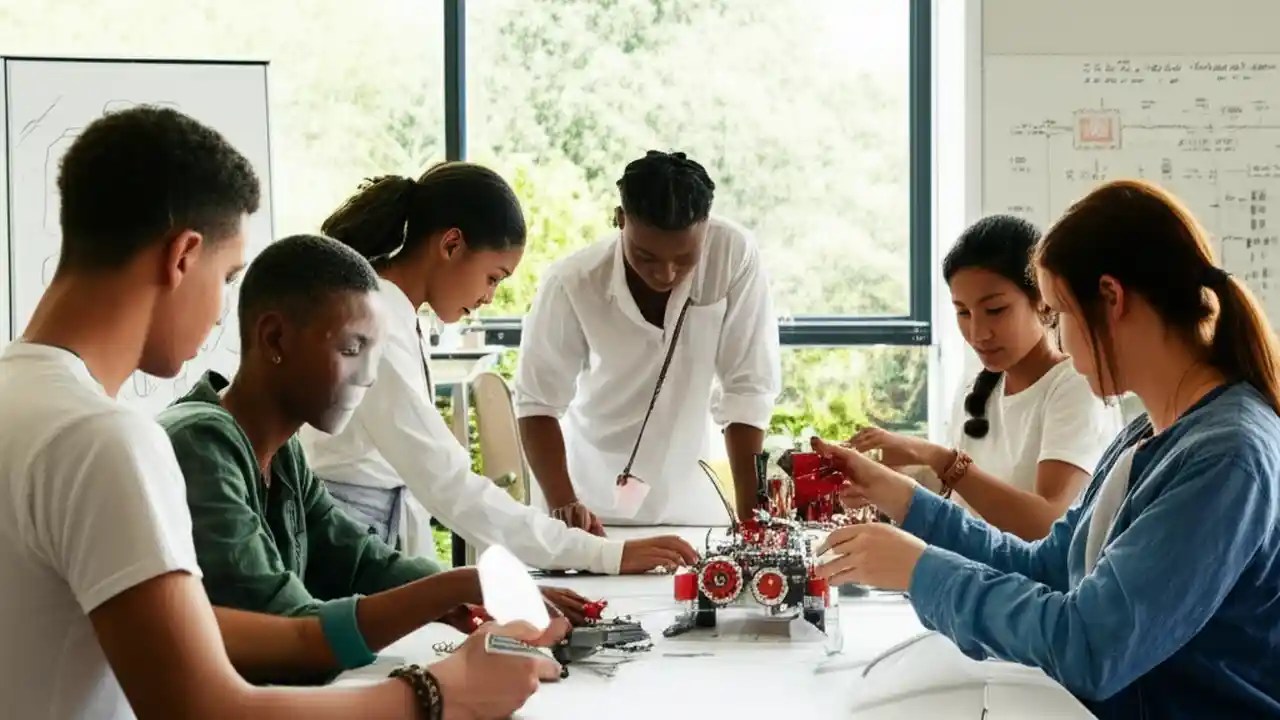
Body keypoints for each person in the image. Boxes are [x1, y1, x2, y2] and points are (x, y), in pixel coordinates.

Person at [0, 106, 554, 719]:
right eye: (228, 273)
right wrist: (439, 694)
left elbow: (260, 633)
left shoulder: (25, 401)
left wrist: (451, 590)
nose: (220, 312)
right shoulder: (103, 441)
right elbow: (205, 707)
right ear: (183, 256)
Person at [813, 180, 1280, 718]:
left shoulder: (1227, 456)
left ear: (1110, 299)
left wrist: (922, 571)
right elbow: (1050, 566)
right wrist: (905, 501)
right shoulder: (1146, 433)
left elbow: (1091, 646)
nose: (1055, 338)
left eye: (1056, 315)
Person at [159, 233, 567, 682]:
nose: (369, 377)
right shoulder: (201, 445)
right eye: (352, 350)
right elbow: (284, 630)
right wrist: (454, 587)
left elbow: (360, 562)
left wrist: (476, 591)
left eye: (375, 354)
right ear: (274, 337)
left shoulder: (283, 453)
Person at [300, 163, 698, 596]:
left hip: (367, 539)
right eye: (493, 277)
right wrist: (605, 554)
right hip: (346, 548)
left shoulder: (393, 313)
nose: (489, 296)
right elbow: (449, 485)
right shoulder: (373, 323)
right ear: (451, 244)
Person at [514, 150, 782, 529]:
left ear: (706, 226)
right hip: (591, 507)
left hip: (693, 510)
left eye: (685, 258)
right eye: (646, 257)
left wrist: (752, 518)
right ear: (621, 220)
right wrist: (565, 508)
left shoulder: (733, 255)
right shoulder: (572, 281)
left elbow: (748, 391)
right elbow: (537, 403)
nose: (666, 273)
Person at [849, 215, 1122, 540]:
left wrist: (935, 456)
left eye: (995, 310)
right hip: (975, 578)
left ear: (1042, 302)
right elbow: (962, 500)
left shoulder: (1077, 387)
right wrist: (877, 482)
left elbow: (1047, 525)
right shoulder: (975, 386)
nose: (977, 333)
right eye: (963, 312)